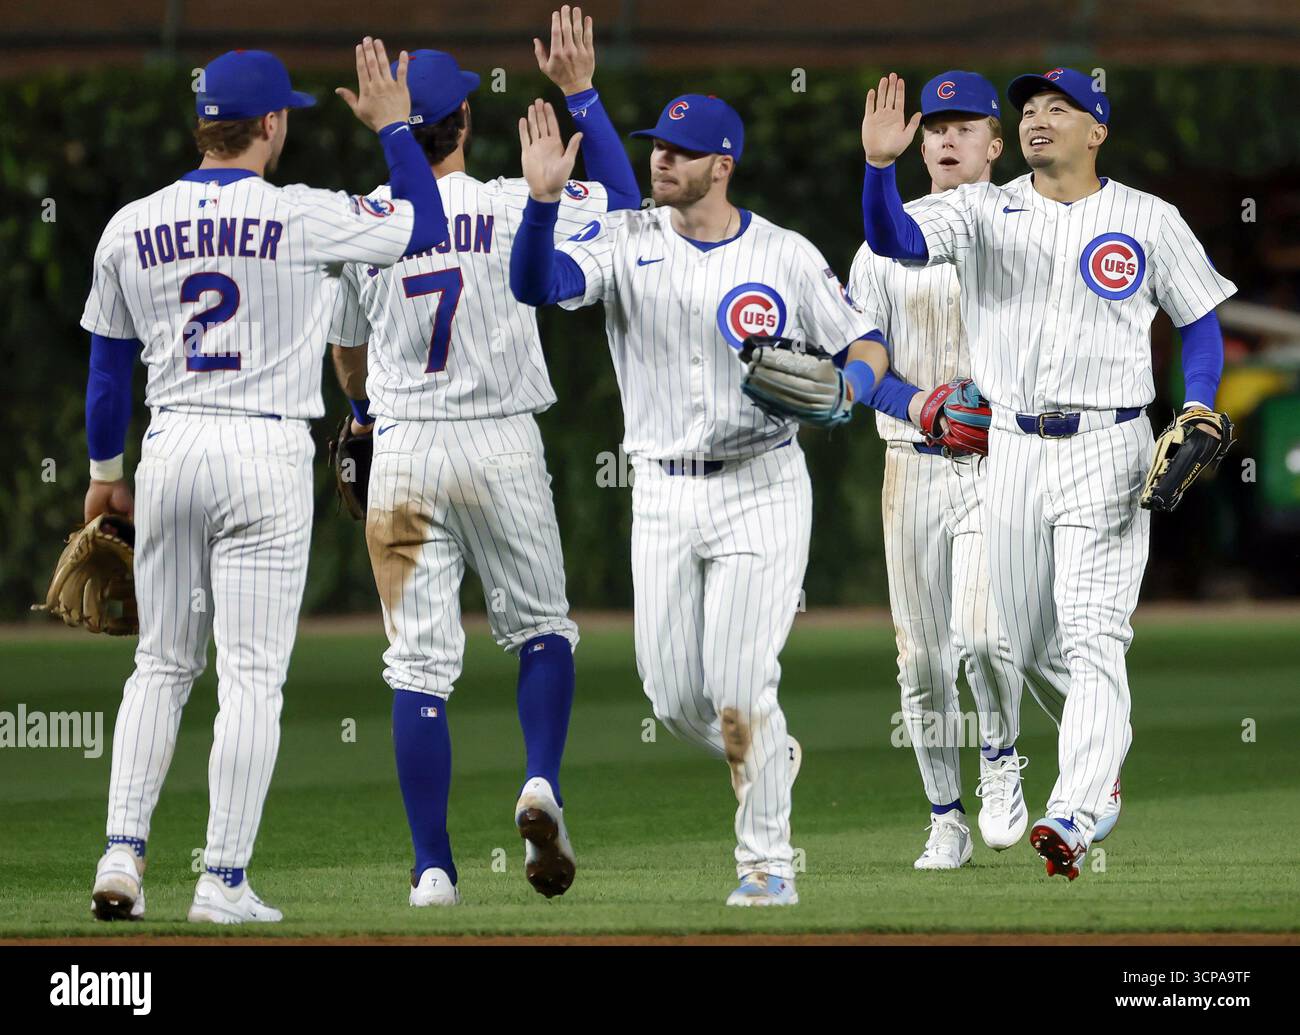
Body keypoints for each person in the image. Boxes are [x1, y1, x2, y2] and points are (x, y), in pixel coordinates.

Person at [84, 40, 449, 922]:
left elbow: (104, 377)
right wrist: (397, 128)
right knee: (249, 675)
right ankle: (222, 880)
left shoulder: (130, 224)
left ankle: (122, 858)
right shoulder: (303, 214)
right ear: (273, 124)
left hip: (169, 446)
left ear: (202, 125)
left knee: (161, 663)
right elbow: (426, 228)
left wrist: (104, 479)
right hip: (265, 452)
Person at [511, 93, 890, 905]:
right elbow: (536, 285)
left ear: (723, 164)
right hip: (661, 492)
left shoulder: (784, 254)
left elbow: (865, 337)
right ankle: (771, 756)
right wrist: (542, 205)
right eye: (656, 147)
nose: (661, 160)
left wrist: (852, 387)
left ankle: (767, 864)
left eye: (681, 151)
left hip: (761, 484)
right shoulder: (625, 240)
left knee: (742, 687)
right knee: (673, 694)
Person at [860, 68, 1235, 878]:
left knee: (1096, 631)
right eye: (1028, 109)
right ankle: (1101, 764)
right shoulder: (981, 209)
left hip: (1109, 441)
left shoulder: (1146, 219)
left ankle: (1074, 807)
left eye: (1057, 109)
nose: (1036, 120)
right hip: (1014, 446)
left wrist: (1198, 402)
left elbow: (1200, 315)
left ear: (1096, 130)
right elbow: (896, 241)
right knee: (1017, 642)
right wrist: (881, 168)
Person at [327, 8, 640, 906]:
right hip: (503, 442)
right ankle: (540, 776)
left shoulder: (367, 221)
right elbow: (625, 210)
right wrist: (580, 96)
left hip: (407, 450)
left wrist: (358, 417)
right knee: (543, 631)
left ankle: (432, 869)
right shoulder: (514, 201)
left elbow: (347, 350)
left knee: (418, 669)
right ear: (464, 123)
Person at [849, 71, 1035, 870]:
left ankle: (1000, 762)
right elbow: (861, 361)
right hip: (912, 464)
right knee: (922, 662)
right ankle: (944, 817)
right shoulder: (880, 245)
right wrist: (915, 402)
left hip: (1000, 465)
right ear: (919, 142)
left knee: (987, 638)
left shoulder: (1029, 228)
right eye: (938, 127)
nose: (949, 139)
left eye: (968, 126)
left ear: (998, 144)